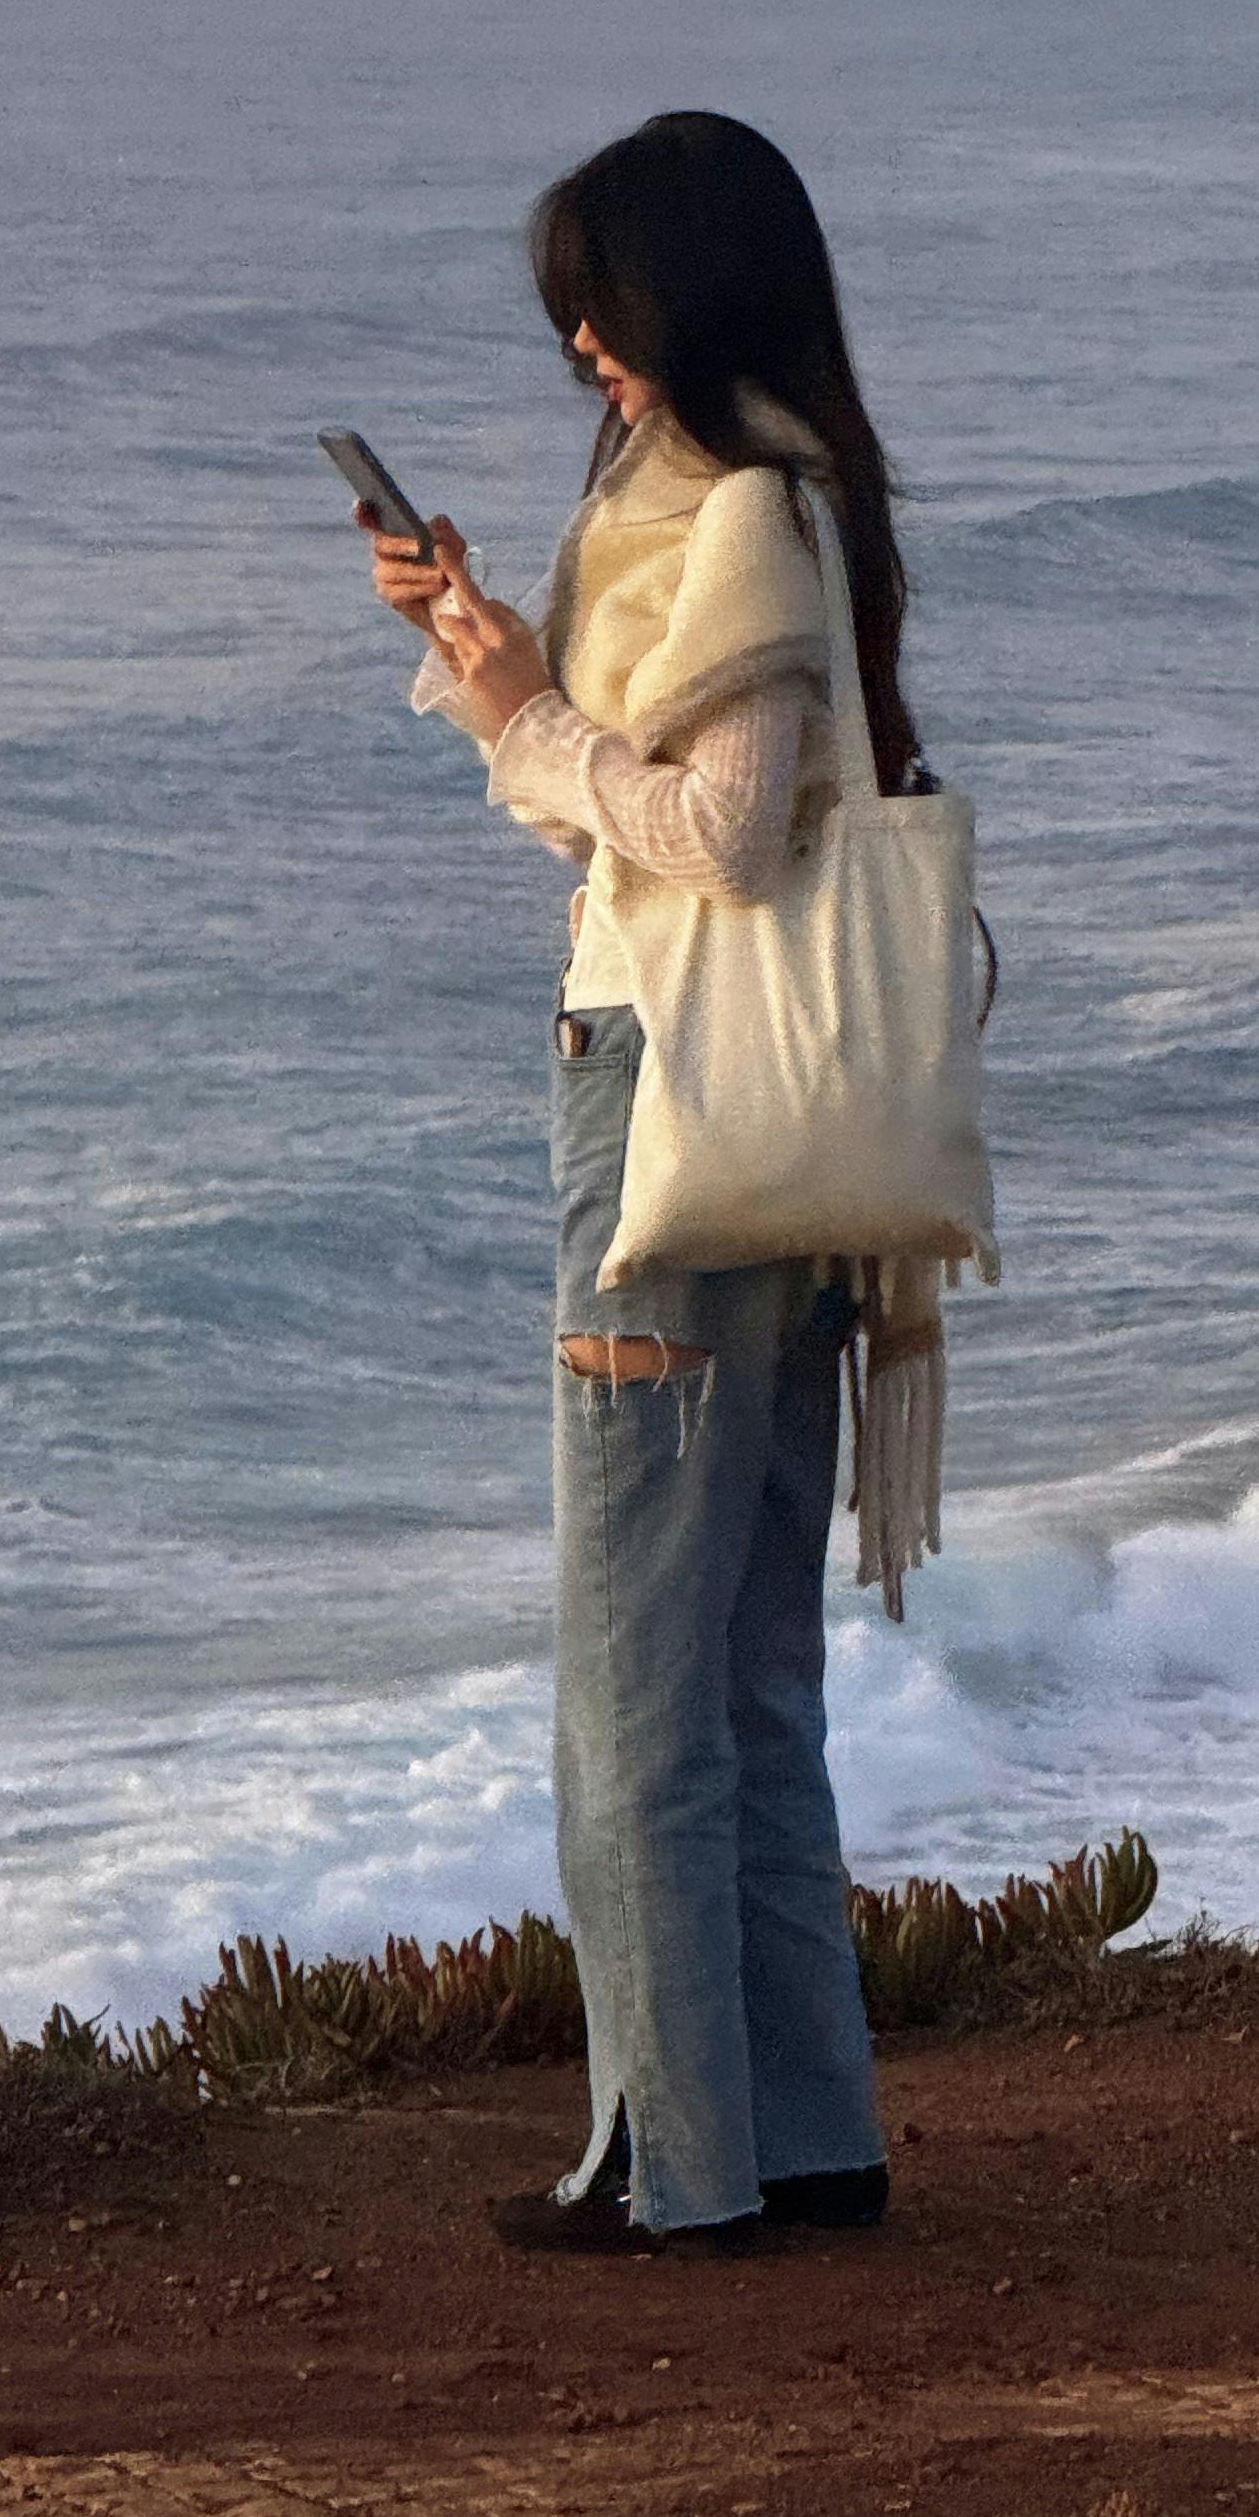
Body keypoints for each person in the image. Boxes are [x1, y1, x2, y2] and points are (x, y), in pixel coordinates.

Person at [358, 111, 938, 2258]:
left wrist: (530, 710)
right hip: (767, 1113)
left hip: (672, 1118)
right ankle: (804, 2135)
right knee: (746, 1673)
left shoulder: (743, 518)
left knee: (633, 1684)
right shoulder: (752, 500)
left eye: (602, 314)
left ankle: (677, 2166)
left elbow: (723, 834)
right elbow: (621, 819)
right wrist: (493, 681)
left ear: (690, 298)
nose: (584, 354)